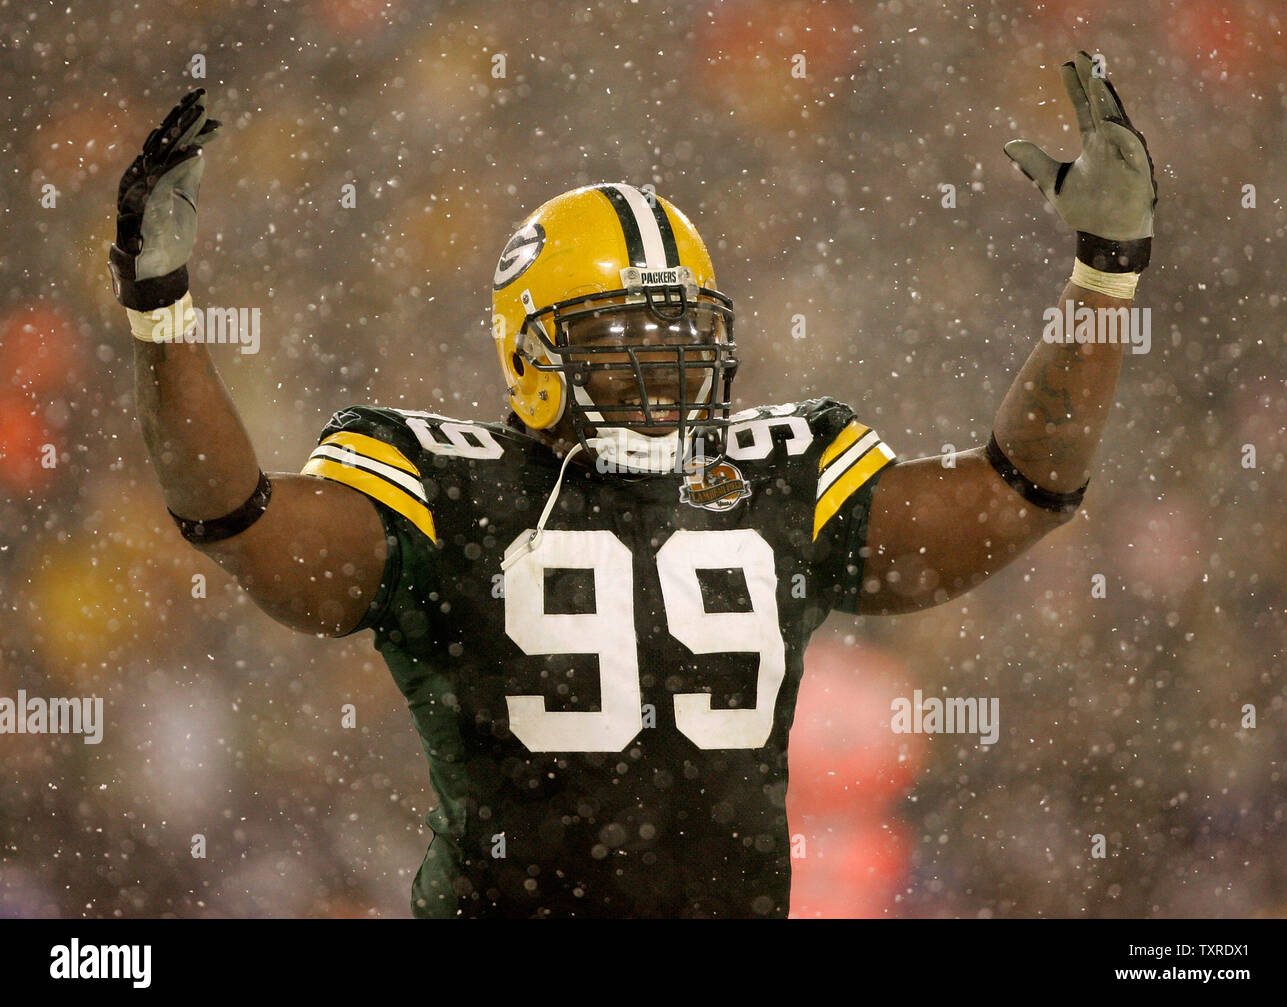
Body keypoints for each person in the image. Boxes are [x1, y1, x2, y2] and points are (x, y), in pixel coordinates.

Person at [109, 51, 1155, 917]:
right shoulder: (452, 485)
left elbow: (1017, 491)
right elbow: (238, 519)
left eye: (682, 329)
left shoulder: (776, 470)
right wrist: (163, 313)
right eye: (621, 336)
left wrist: (1103, 271)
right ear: (530, 359)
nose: (664, 363)